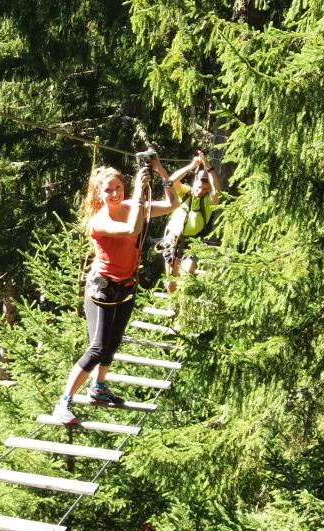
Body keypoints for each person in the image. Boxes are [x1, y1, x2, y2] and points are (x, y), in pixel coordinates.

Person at [50, 155, 180, 425]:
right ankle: (64, 401)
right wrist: (137, 192)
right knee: (97, 348)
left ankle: (98, 388)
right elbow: (132, 227)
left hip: (126, 286)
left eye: (117, 188)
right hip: (102, 290)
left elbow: (172, 204)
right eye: (107, 189)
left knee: (113, 344)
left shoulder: (134, 206)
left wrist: (160, 171)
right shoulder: (99, 220)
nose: (113, 193)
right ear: (99, 192)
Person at [161, 150, 220, 292]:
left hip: (192, 242)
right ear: (194, 182)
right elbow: (170, 182)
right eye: (199, 187)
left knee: (187, 275)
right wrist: (191, 166)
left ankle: (182, 306)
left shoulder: (208, 201)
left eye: (205, 189)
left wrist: (208, 167)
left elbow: (216, 191)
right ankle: (172, 306)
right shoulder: (184, 192)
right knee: (171, 280)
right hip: (173, 240)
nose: (201, 191)